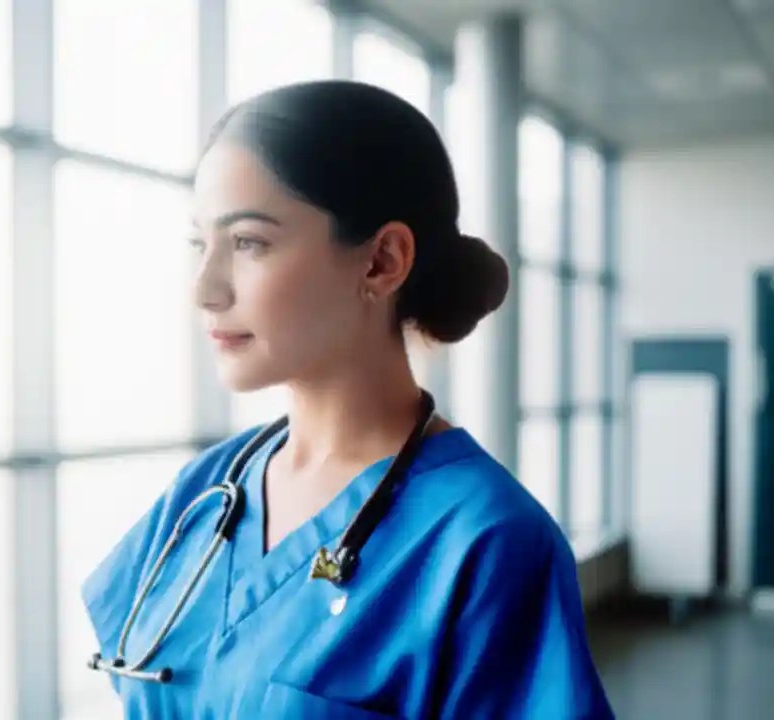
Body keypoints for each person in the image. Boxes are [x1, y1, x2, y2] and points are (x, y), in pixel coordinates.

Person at [80, 80, 613, 719]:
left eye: (249, 242)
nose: (205, 289)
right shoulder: (204, 492)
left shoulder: (487, 541)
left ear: (382, 262)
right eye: (201, 243)